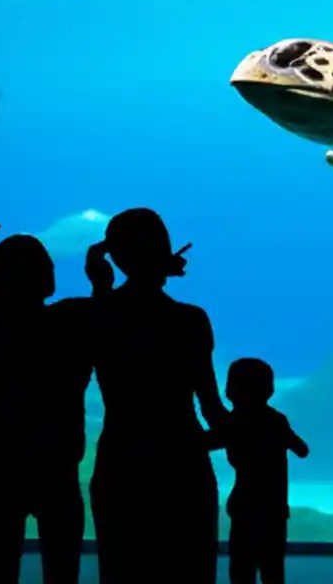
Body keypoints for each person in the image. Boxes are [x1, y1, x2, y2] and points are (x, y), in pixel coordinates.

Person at [86, 208, 228, 583]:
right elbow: (213, 410)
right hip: (184, 469)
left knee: (123, 571)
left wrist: (100, 283)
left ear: (115, 258)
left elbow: (106, 314)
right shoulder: (190, 320)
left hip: (121, 464)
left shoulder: (97, 315)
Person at [0, 234, 95, 584]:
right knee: (63, 572)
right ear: (46, 277)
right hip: (59, 470)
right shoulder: (71, 324)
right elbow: (112, 310)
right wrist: (103, 280)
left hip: (2, 471)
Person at [206, 358, 309, 584]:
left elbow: (205, 441)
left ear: (232, 391)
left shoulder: (236, 422)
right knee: (273, 571)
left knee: (242, 571)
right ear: (268, 389)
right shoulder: (276, 420)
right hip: (274, 509)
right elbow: (302, 449)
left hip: (245, 508)